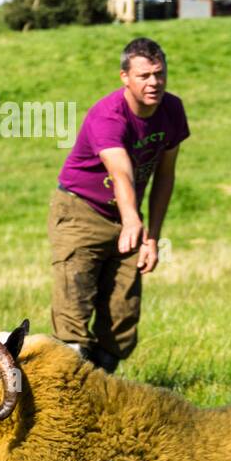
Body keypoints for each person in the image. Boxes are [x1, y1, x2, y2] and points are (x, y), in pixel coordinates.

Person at [48, 38, 189, 372]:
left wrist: (152, 237)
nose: (153, 82)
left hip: (128, 220)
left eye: (159, 73)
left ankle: (102, 387)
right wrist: (131, 219)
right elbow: (121, 172)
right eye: (143, 75)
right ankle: (68, 396)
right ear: (124, 77)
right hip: (80, 213)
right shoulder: (108, 115)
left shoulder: (172, 111)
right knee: (73, 309)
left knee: (121, 317)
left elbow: (165, 177)